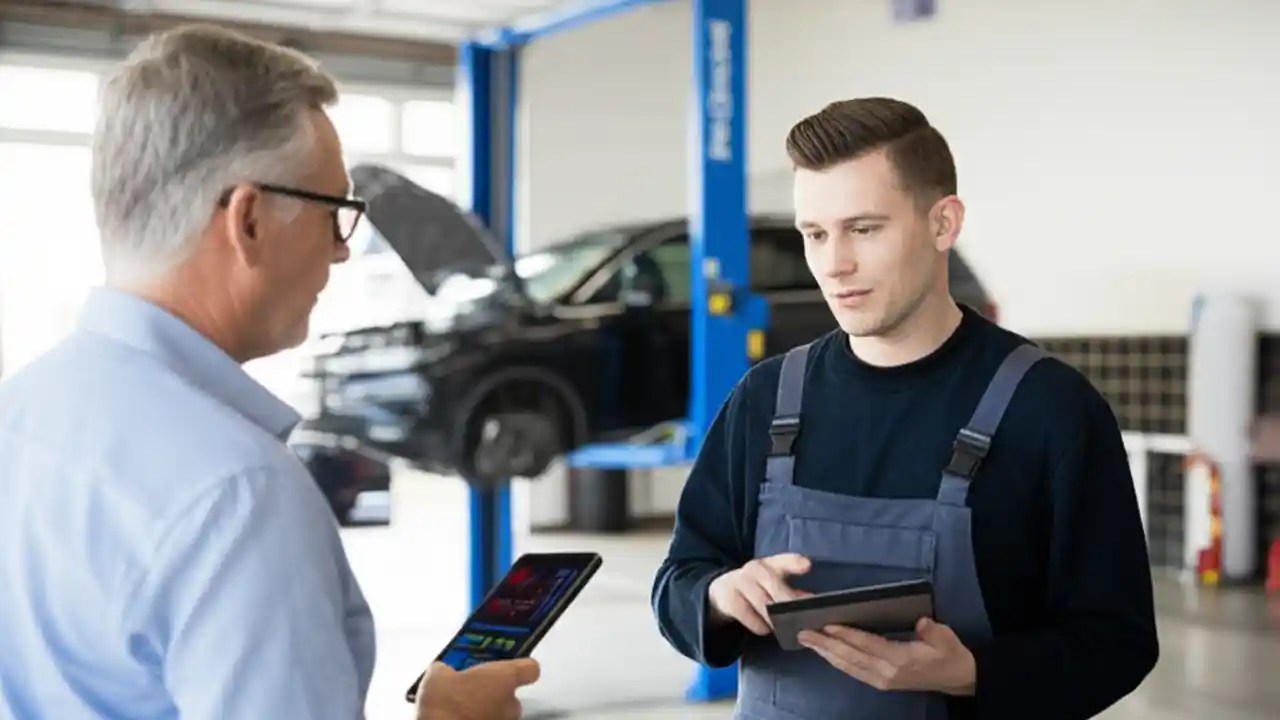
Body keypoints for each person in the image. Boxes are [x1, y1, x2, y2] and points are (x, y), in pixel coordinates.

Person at [0, 24, 537, 720]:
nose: (341, 255)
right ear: (248, 220)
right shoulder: (237, 495)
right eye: (336, 214)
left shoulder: (22, 412)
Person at [651, 97, 1159, 719]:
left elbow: (1119, 642)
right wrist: (720, 596)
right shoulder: (765, 399)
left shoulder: (1050, 410)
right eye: (815, 234)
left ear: (943, 223)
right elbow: (678, 582)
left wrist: (973, 673)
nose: (834, 264)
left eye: (864, 229)